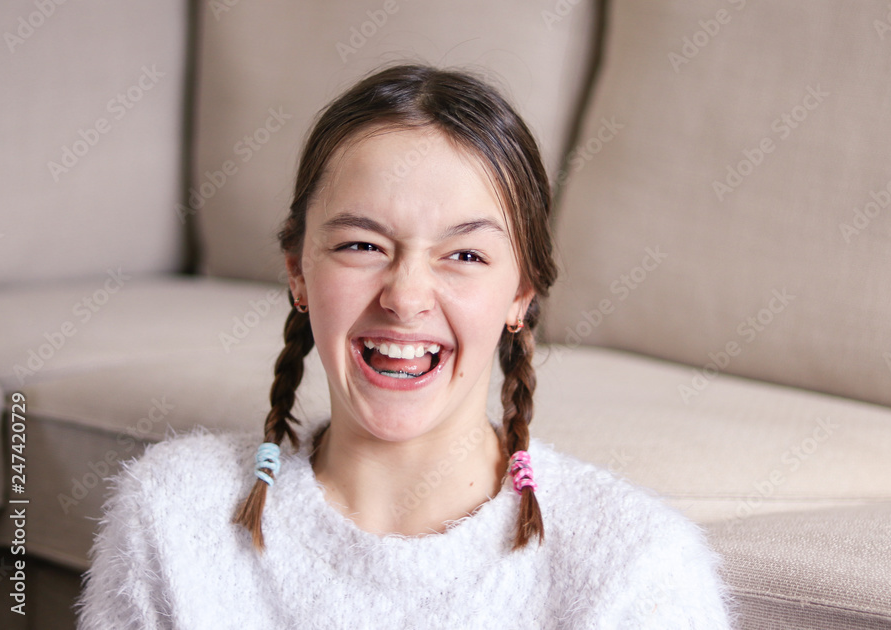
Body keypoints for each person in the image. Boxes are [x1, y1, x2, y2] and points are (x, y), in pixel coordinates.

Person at [77, 64, 732, 628]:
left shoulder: (638, 569)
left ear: (520, 296)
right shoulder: (173, 513)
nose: (406, 296)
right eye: (362, 245)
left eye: (465, 254)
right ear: (298, 272)